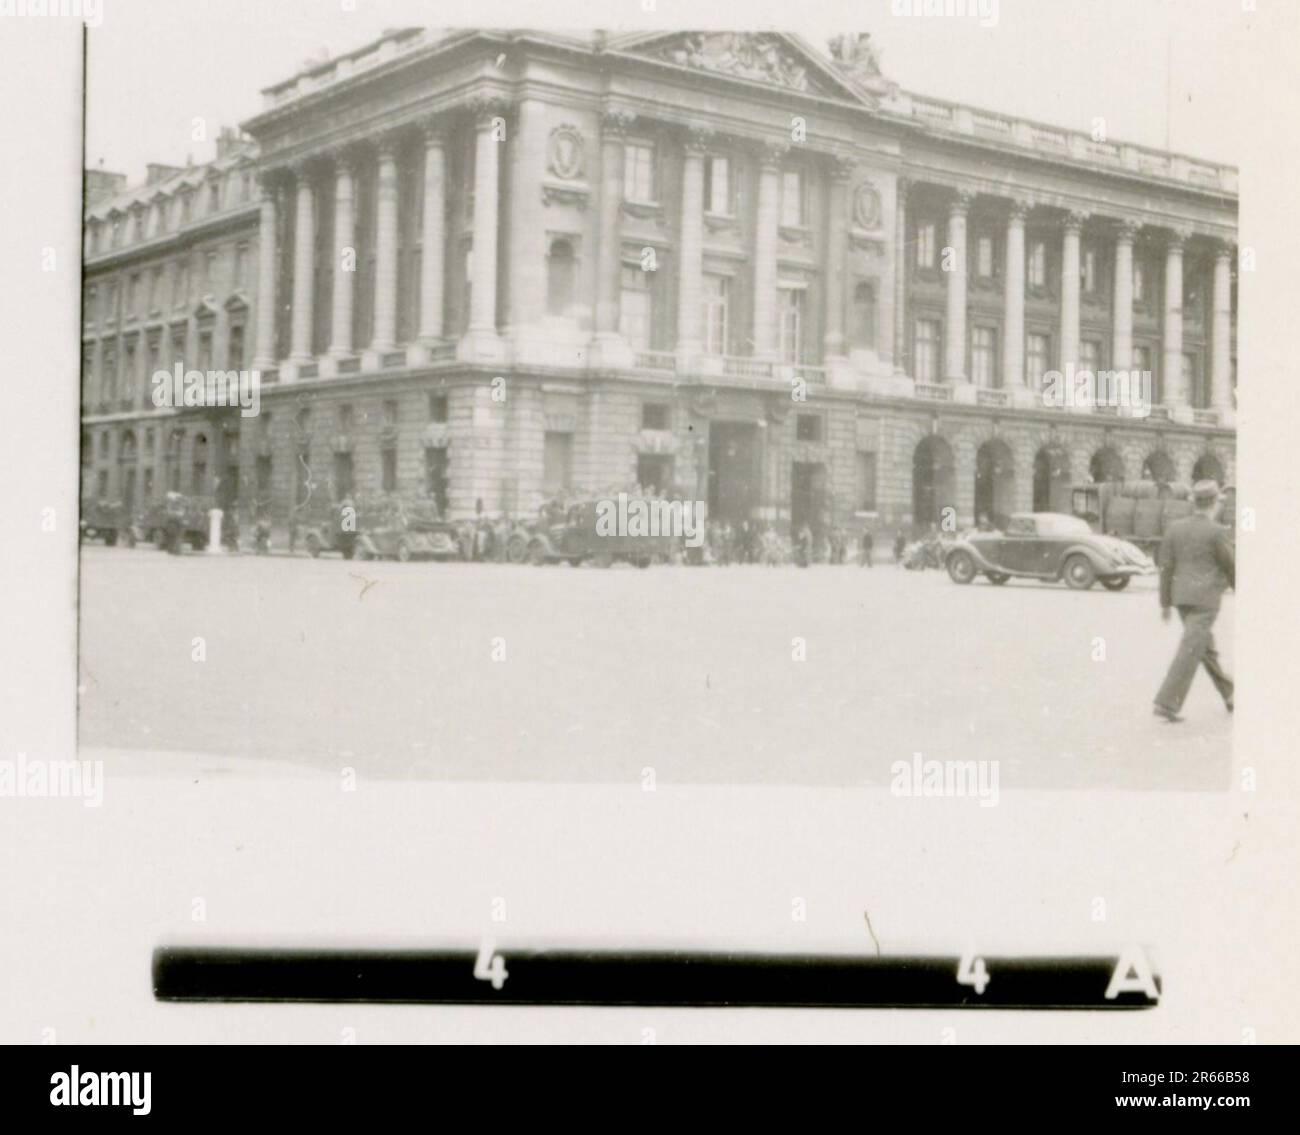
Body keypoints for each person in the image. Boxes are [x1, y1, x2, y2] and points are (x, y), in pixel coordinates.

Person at [1153, 480, 1235, 723]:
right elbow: (1231, 566)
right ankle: (1166, 703)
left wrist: (1165, 603)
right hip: (1206, 600)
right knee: (1190, 649)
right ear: (1214, 504)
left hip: (1182, 600)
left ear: (1194, 503)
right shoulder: (1217, 531)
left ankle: (1230, 694)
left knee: (1202, 647)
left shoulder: (1174, 528)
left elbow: (1165, 568)